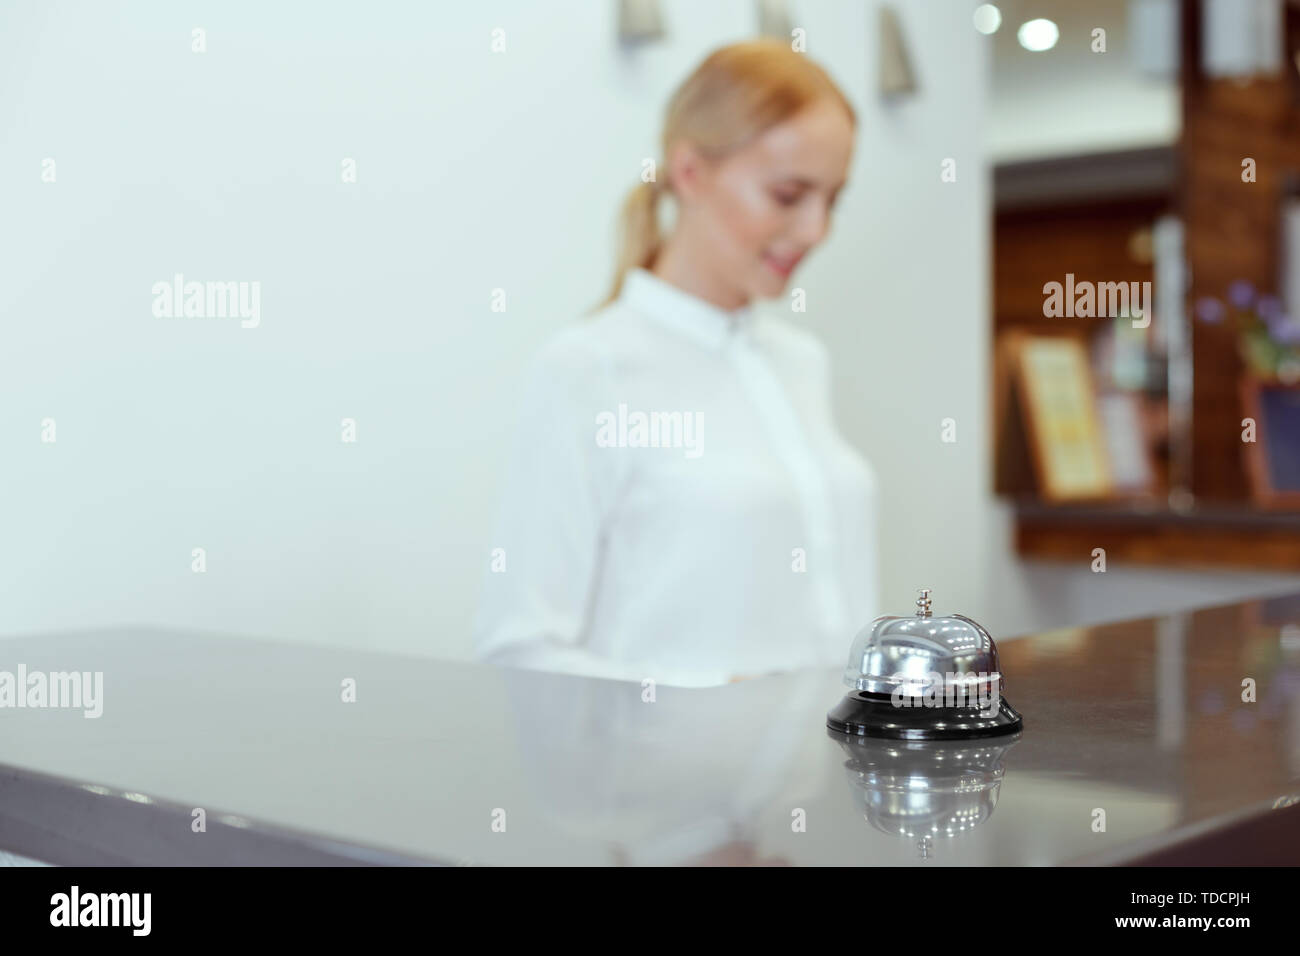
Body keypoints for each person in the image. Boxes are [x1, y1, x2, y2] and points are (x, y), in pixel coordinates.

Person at [472, 39, 878, 687]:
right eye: (788, 194)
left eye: (833, 200)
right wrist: (715, 699)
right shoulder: (587, 369)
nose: (815, 231)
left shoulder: (801, 362)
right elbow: (519, 652)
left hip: (825, 778)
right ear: (690, 171)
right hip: (662, 782)